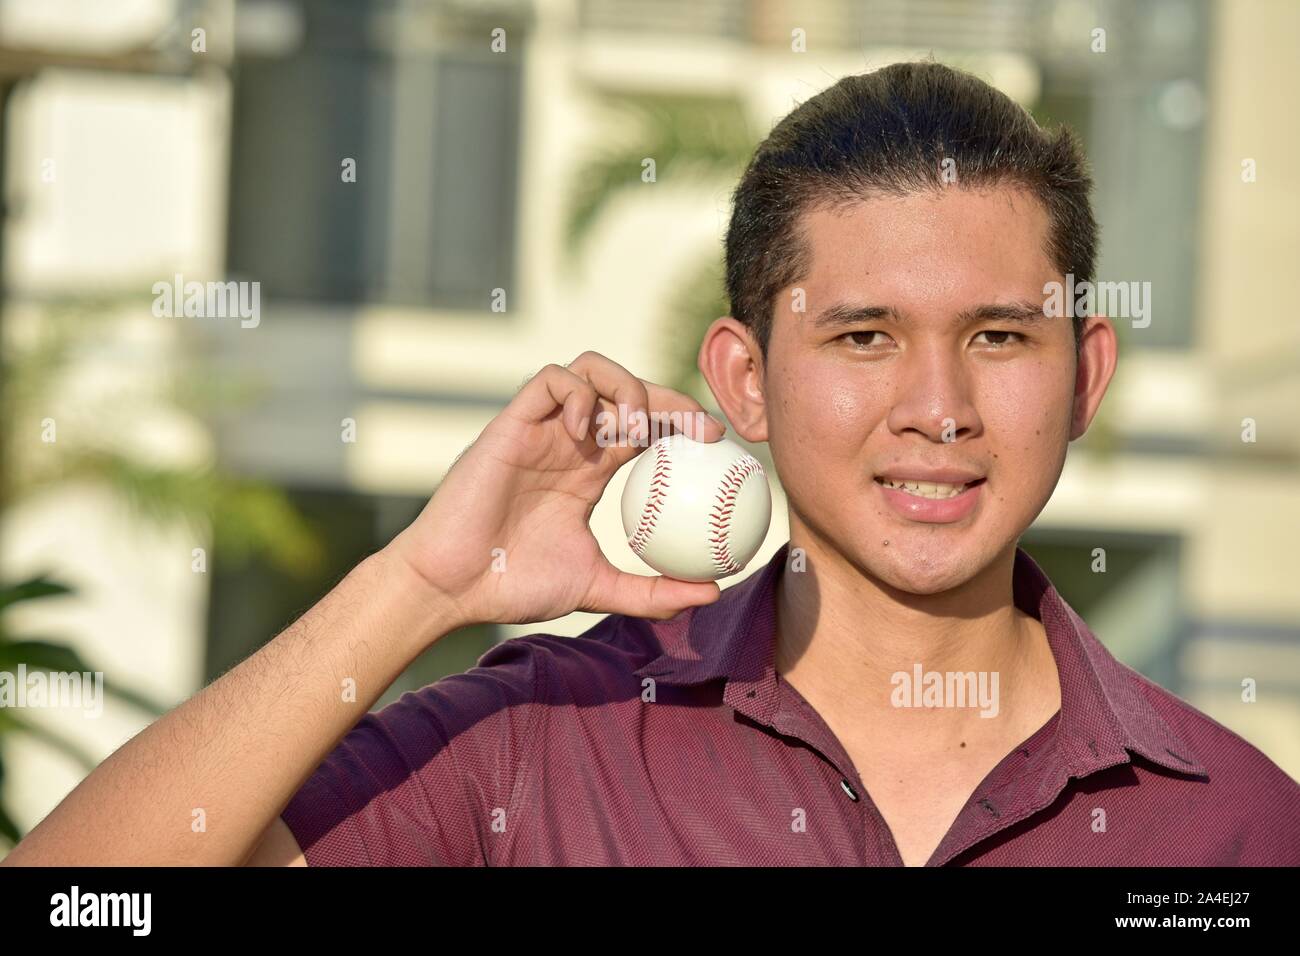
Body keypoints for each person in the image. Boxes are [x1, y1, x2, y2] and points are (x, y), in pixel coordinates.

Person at [6, 61, 1298, 867]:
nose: (938, 407)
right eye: (863, 336)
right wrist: (423, 585)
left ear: (1086, 374)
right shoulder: (541, 741)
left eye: (1000, 337)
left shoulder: (1237, 828)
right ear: (743, 378)